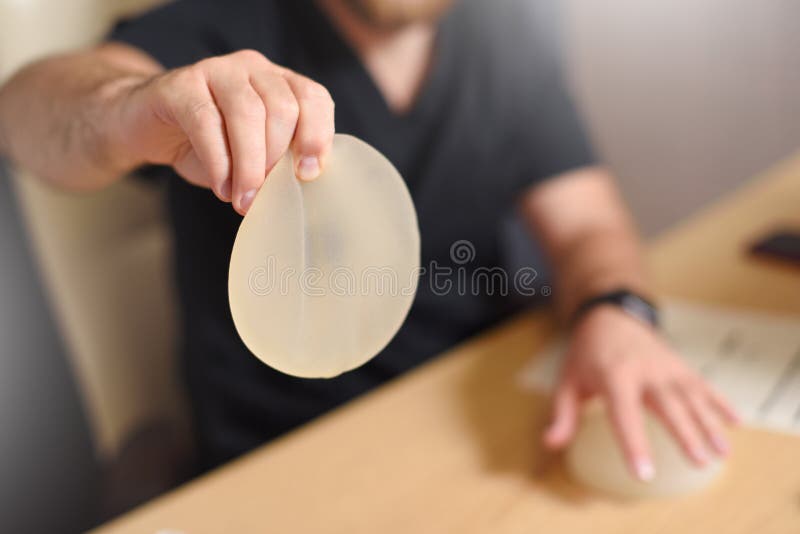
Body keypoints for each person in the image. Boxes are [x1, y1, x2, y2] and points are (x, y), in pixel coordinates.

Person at [0, 0, 738, 479]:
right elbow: (27, 113)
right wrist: (126, 108)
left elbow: (586, 224)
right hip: (294, 458)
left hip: (491, 415)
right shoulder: (222, 31)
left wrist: (617, 311)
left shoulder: (504, 32)